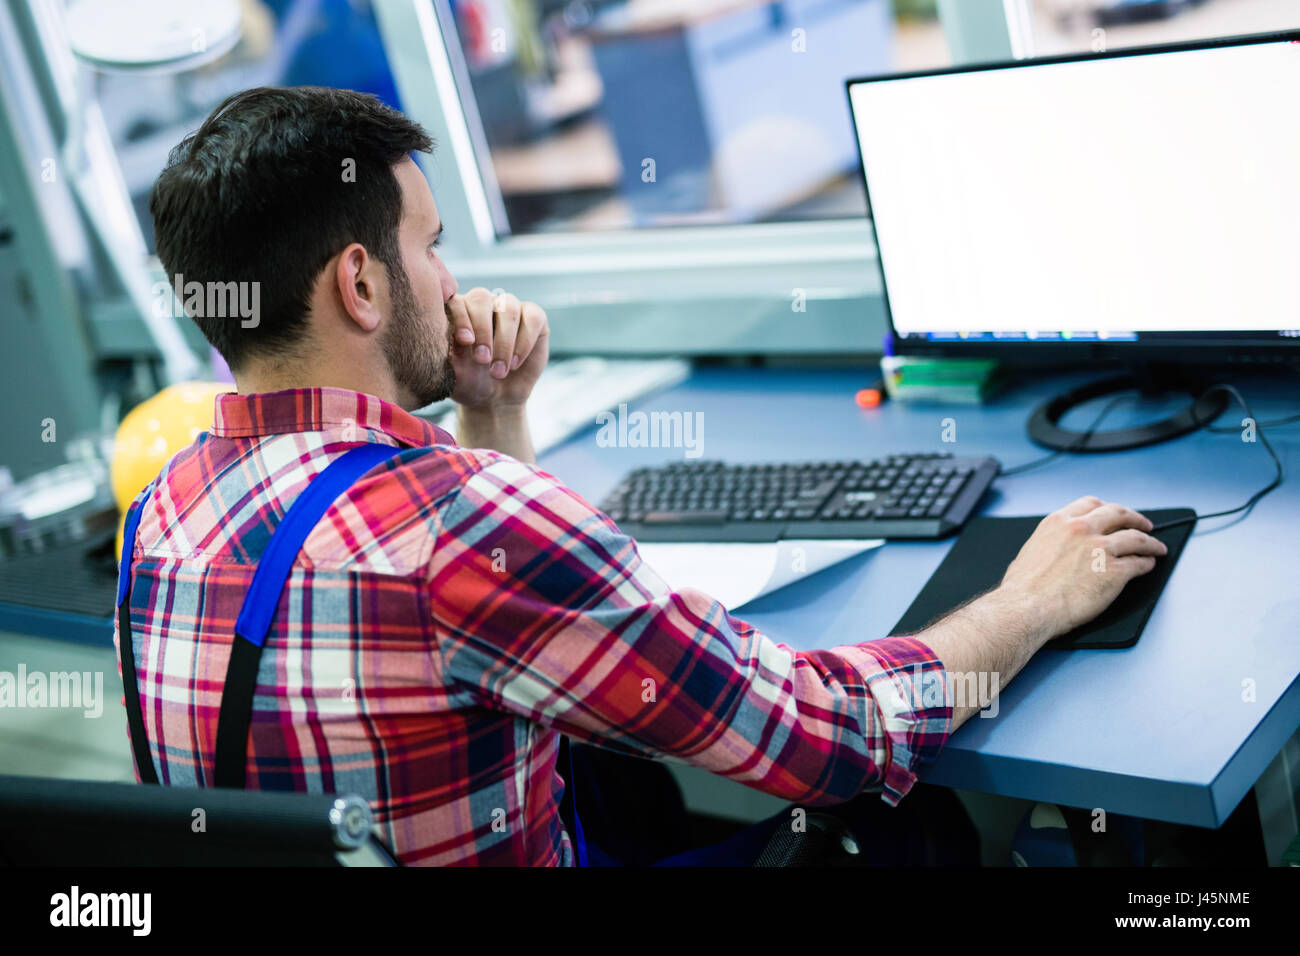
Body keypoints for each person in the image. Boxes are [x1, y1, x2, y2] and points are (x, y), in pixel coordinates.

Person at [117, 86, 1168, 866]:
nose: (449, 282)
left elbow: (493, 639)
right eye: (429, 247)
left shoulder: (161, 507)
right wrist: (1026, 604)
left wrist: (493, 411)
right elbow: (820, 737)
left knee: (617, 776)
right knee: (907, 824)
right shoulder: (461, 521)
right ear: (358, 282)